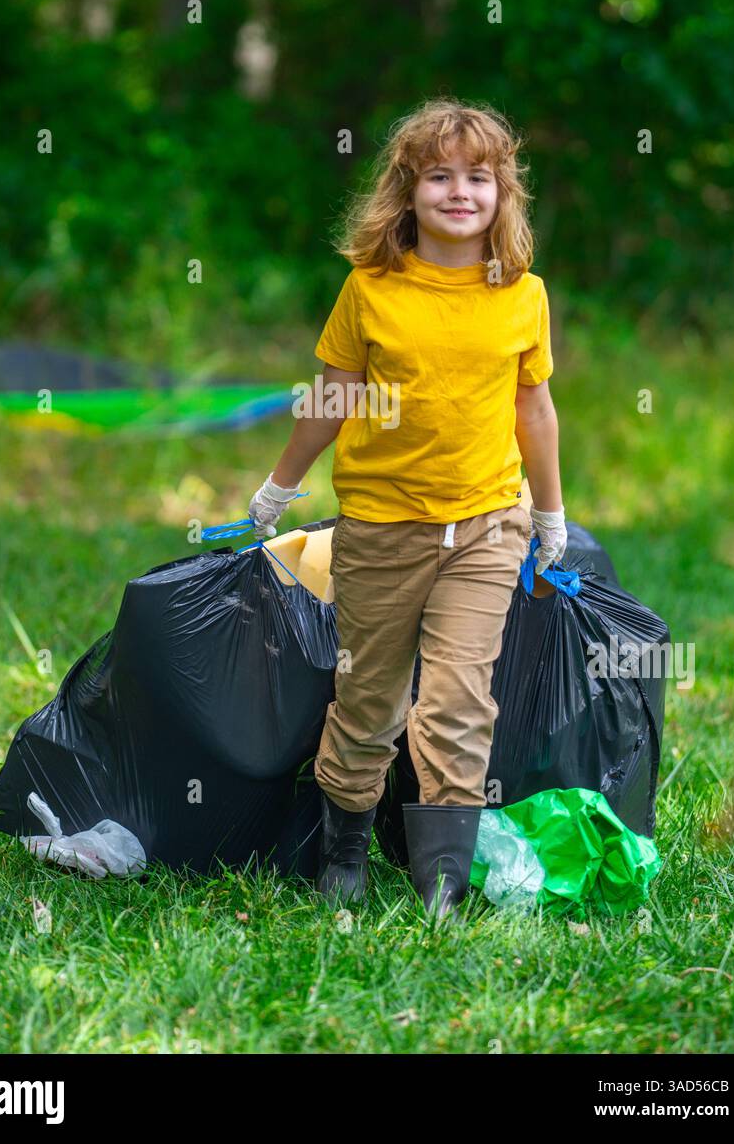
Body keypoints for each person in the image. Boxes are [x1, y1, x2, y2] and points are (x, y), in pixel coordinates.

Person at [248, 97, 566, 921]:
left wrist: (552, 514)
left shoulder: (521, 295)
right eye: (439, 175)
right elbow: (332, 397)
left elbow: (534, 408)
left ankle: (441, 886)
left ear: (503, 196)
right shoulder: (372, 289)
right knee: (369, 700)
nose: (460, 192)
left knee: (460, 703)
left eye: (479, 177)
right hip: (382, 529)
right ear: (408, 190)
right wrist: (282, 486)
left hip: (488, 526)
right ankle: (345, 853)